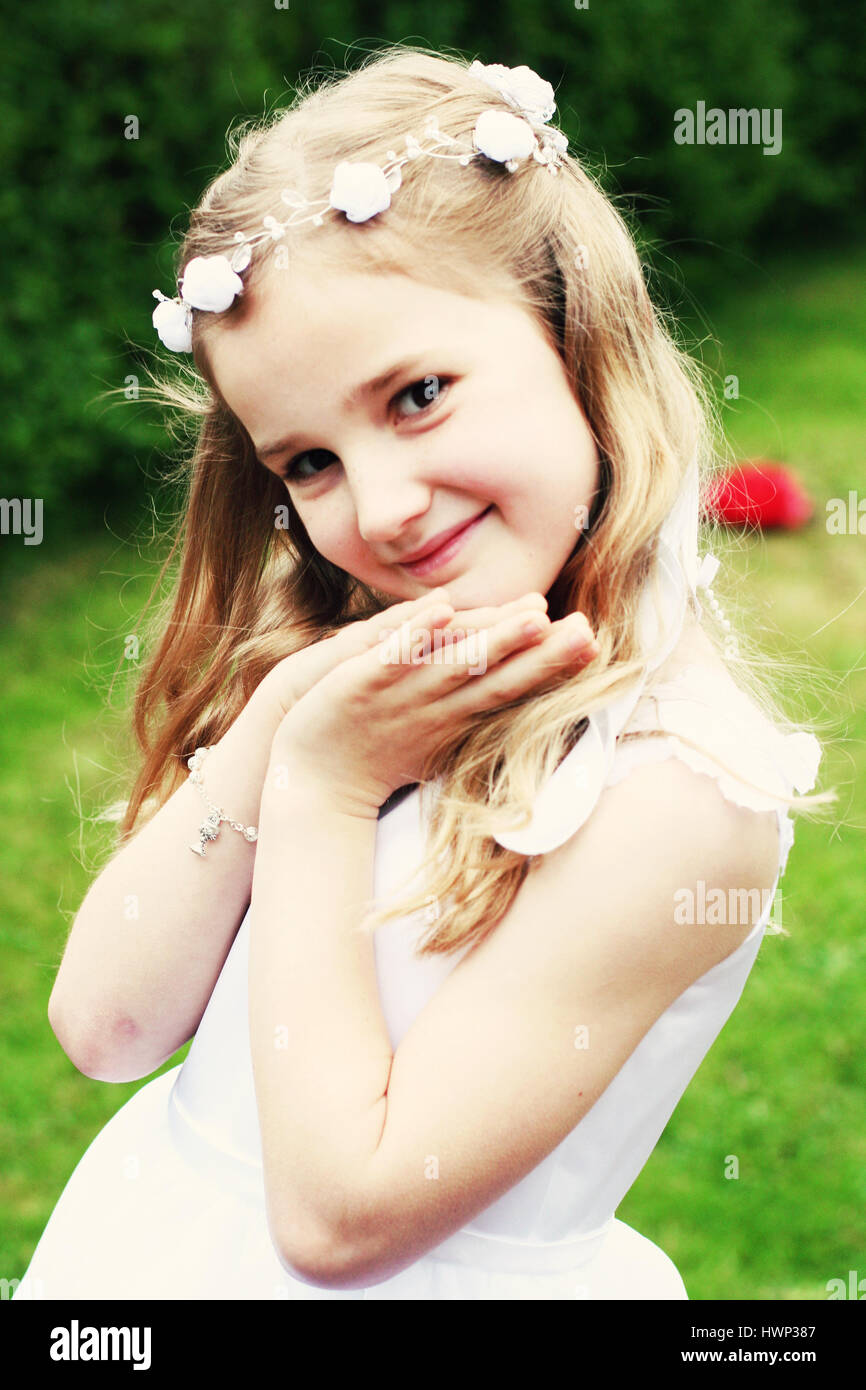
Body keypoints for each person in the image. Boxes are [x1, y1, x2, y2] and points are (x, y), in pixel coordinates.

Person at [14, 47, 830, 1301]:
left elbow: (343, 1221)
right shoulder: (344, 667)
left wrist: (329, 793)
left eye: (418, 395)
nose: (380, 511)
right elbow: (105, 1026)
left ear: (579, 342)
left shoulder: (675, 792)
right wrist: (280, 722)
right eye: (307, 463)